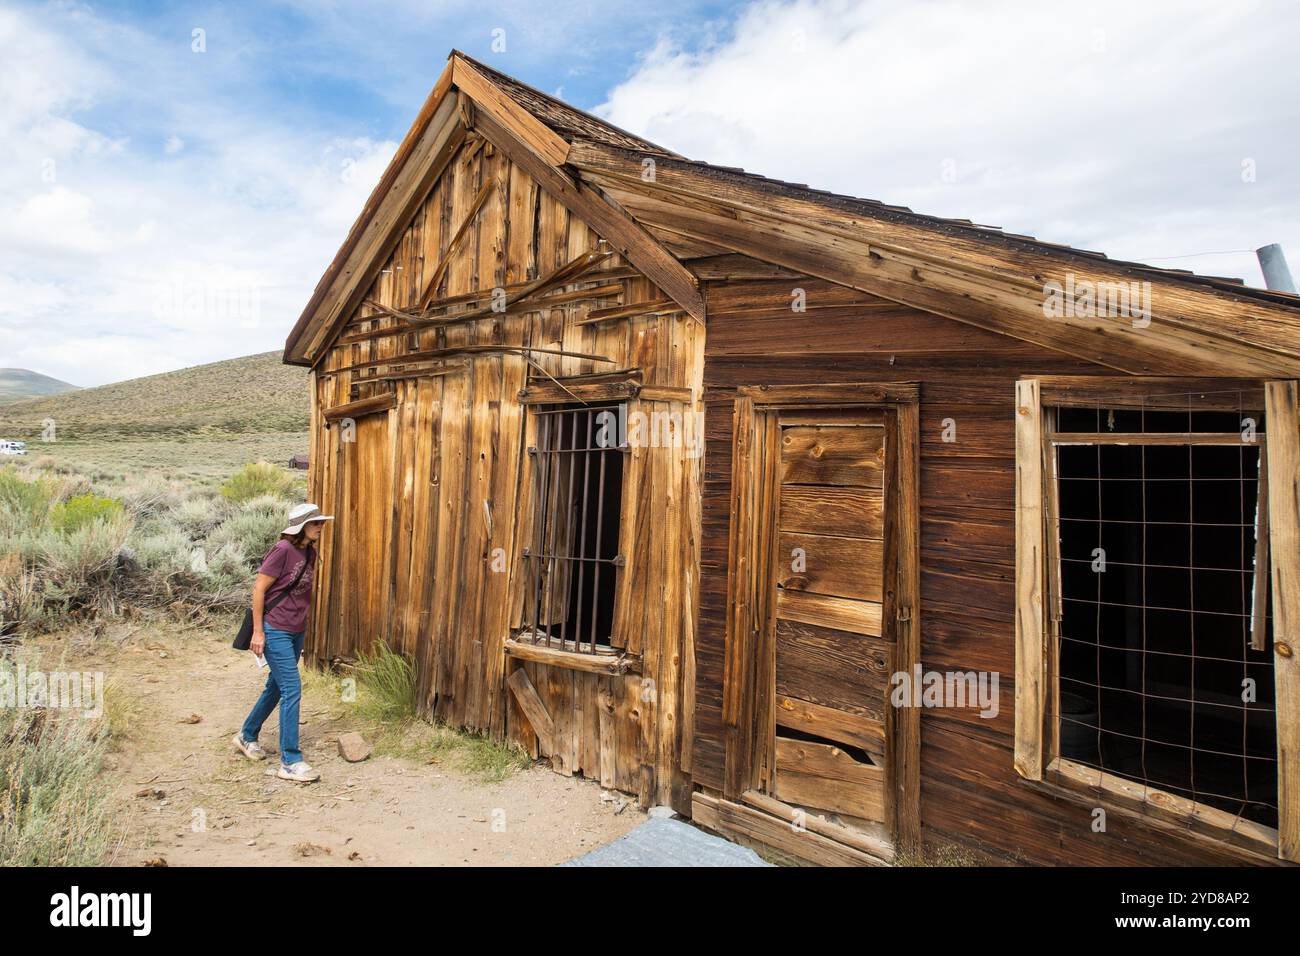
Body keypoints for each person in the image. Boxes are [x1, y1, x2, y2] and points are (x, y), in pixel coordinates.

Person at [232, 503, 333, 782]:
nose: (321, 527)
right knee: (292, 687)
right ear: (301, 526)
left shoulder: (309, 552)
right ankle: (290, 760)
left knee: (276, 687)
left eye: (321, 523)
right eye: (316, 523)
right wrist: (258, 632)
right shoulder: (283, 551)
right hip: (274, 628)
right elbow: (259, 589)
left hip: (295, 629)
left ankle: (246, 734)